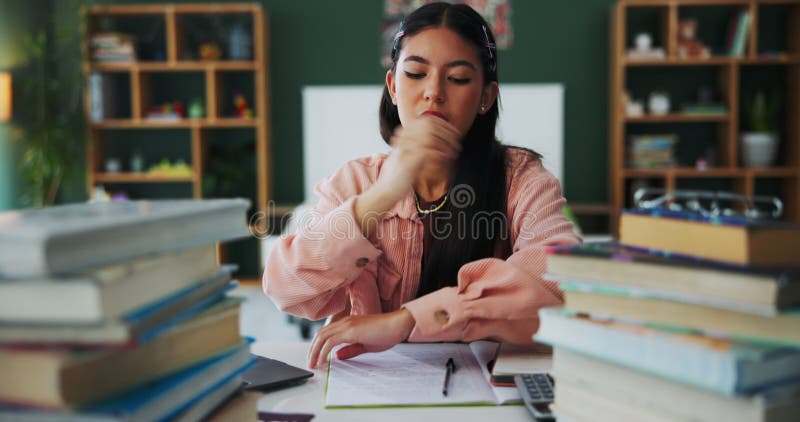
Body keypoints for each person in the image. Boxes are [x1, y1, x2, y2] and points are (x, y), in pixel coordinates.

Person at [263, 2, 581, 369]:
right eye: (415, 73)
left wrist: (407, 320)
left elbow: (566, 282)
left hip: (490, 386)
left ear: (485, 97)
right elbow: (284, 289)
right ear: (393, 86)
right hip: (376, 384)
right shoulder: (354, 181)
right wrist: (381, 197)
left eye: (458, 78)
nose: (434, 92)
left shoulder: (522, 178)